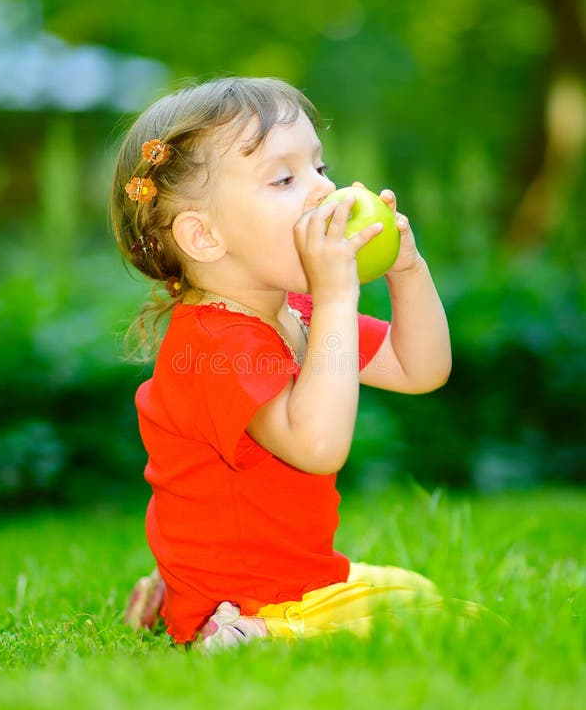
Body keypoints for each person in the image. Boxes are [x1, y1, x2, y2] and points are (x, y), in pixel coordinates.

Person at [111, 76, 459, 652]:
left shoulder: (294, 313)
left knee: (416, 592)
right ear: (204, 235)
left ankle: (227, 614)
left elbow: (419, 368)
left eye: (320, 169)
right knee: (438, 622)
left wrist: (407, 269)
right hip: (251, 596)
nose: (325, 192)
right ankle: (244, 634)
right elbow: (317, 445)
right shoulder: (213, 346)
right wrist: (338, 298)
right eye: (285, 178)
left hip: (291, 579)